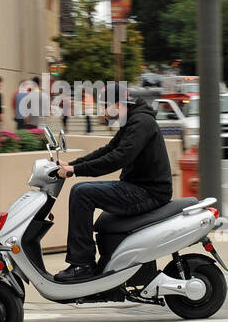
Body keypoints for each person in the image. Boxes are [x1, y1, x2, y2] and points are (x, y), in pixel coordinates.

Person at [54, 85, 172, 281]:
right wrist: (72, 165)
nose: (103, 111)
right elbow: (109, 150)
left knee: (81, 193)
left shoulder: (140, 122)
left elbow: (119, 158)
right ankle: (105, 266)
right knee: (100, 217)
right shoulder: (132, 120)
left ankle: (82, 264)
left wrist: (76, 170)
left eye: (104, 105)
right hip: (139, 188)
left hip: (148, 192)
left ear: (117, 104)